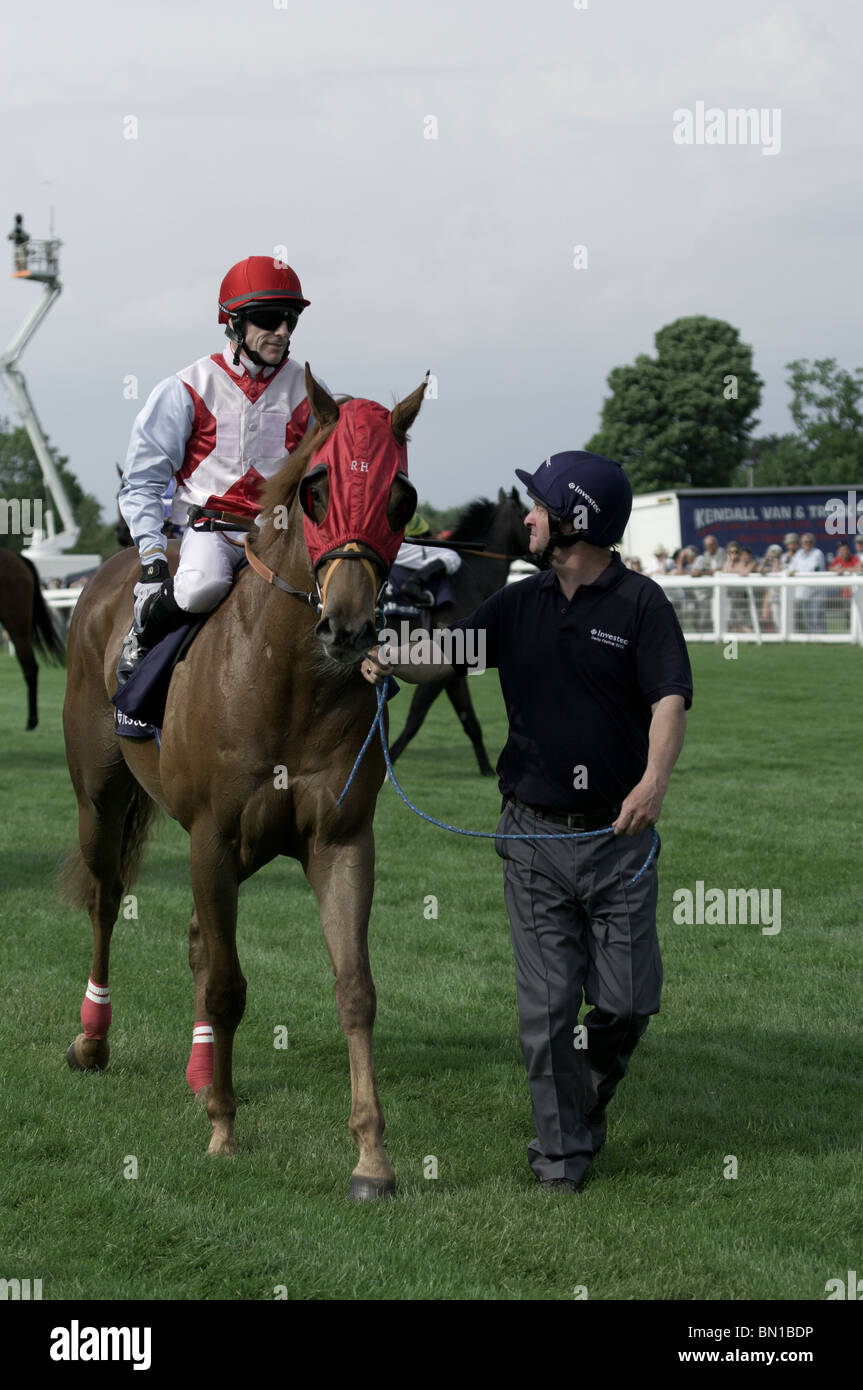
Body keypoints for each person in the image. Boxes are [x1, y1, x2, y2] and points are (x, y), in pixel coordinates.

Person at [362, 451, 692, 1193]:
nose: (527, 518)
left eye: (538, 507)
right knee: (546, 1013)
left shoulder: (641, 606)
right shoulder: (518, 604)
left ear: (575, 521)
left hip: (618, 839)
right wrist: (391, 655)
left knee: (626, 1001)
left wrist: (653, 783)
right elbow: (447, 654)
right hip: (531, 837)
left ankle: (580, 1107)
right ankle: (561, 1160)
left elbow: (668, 699)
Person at [116, 255, 324, 683]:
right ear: (233, 322)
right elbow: (142, 482)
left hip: (279, 535)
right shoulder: (186, 387)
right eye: (269, 318)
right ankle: (144, 630)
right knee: (200, 587)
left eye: (290, 320)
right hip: (210, 533)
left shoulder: (305, 390)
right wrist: (153, 561)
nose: (282, 331)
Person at [387, 513, 461, 611]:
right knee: (452, 556)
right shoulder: (407, 510)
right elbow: (425, 534)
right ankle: (413, 583)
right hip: (401, 546)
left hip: (381, 545)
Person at [787, 532, 827, 633]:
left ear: (813, 543)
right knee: (807, 617)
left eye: (809, 542)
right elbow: (791, 568)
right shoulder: (799, 554)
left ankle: (821, 637)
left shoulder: (817, 553)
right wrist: (794, 571)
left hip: (816, 591)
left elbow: (816, 569)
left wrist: (798, 571)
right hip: (802, 592)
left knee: (817, 616)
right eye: (805, 542)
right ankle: (812, 638)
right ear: (801, 543)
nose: (807, 544)